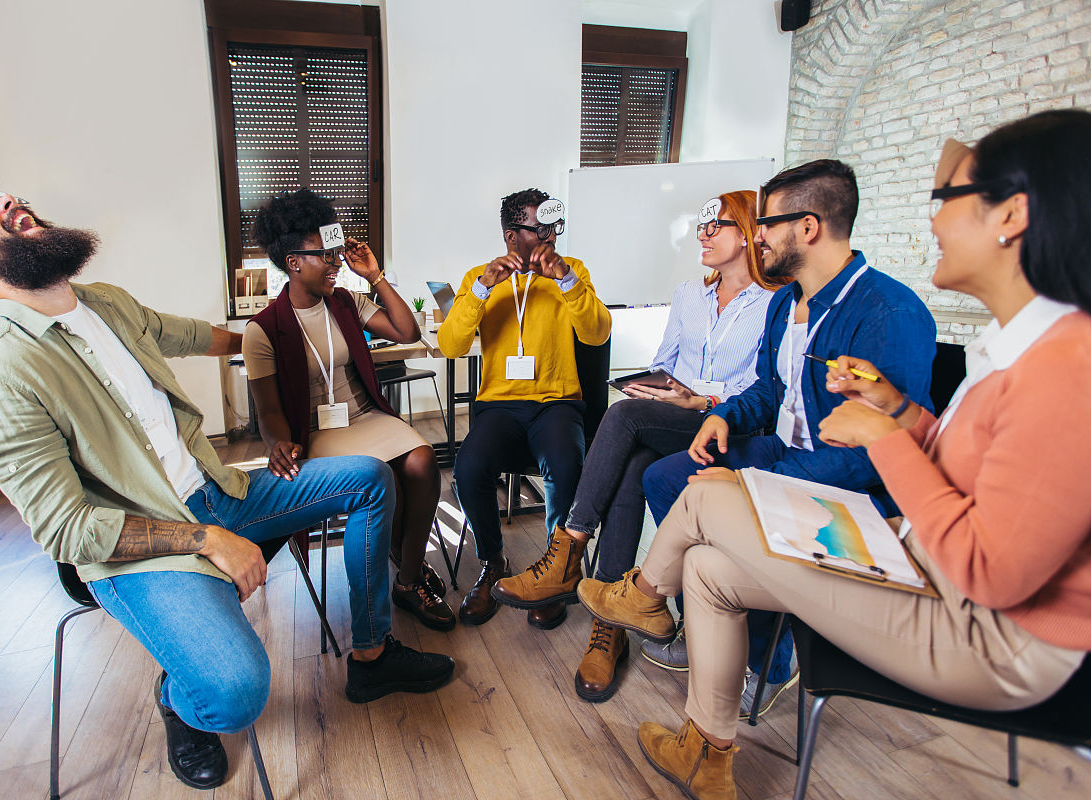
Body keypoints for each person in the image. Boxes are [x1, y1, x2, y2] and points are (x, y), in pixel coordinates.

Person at [576, 109, 1091, 800]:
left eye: (949, 198)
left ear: (1012, 215)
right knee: (704, 563)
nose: (934, 220)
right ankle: (704, 746)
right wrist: (898, 411)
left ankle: (641, 595)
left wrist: (885, 437)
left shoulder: (1062, 372)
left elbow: (990, 575)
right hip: (925, 559)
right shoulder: (1021, 348)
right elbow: (964, 464)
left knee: (703, 493)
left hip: (987, 631)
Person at [0, 188, 454, 792]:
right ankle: (179, 697)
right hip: (146, 550)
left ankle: (372, 655)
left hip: (218, 492)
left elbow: (194, 336)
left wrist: (267, 337)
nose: (1, 201)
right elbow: (67, 531)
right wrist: (207, 540)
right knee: (236, 695)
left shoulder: (106, 303)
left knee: (370, 478)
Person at [635, 159, 937, 718]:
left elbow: (876, 456)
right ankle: (700, 620)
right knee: (665, 477)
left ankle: (767, 661)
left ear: (808, 227)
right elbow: (770, 391)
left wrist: (757, 481)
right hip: (783, 448)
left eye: (767, 224)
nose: (758, 237)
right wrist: (726, 415)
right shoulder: (783, 301)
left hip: (848, 482)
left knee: (721, 498)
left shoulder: (890, 313)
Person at [491, 190, 786, 701]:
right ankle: (610, 627)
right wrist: (659, 386)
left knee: (622, 417)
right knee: (631, 464)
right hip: (674, 413)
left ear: (746, 234)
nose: (702, 234)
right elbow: (664, 360)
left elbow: (766, 388)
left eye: (715, 226)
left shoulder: (775, 303)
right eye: (701, 226)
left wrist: (702, 400)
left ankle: (567, 552)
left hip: (725, 421)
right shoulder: (689, 294)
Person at [244, 189, 454, 631]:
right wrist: (278, 442)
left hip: (364, 416)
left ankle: (408, 579)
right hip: (317, 433)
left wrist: (375, 277)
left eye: (335, 252)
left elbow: (405, 331)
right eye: (325, 255)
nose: (336, 262)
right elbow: (269, 411)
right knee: (387, 482)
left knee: (421, 461)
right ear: (294, 262)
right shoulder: (263, 329)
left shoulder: (345, 302)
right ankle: (403, 567)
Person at [439, 187, 612, 627]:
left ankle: (557, 572)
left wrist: (566, 281)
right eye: (541, 229)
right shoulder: (479, 277)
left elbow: (597, 334)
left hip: (557, 403)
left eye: (555, 227)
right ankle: (493, 561)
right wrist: (481, 290)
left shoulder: (573, 271)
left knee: (565, 465)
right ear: (511, 236)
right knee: (468, 470)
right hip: (500, 406)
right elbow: (451, 345)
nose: (551, 237)